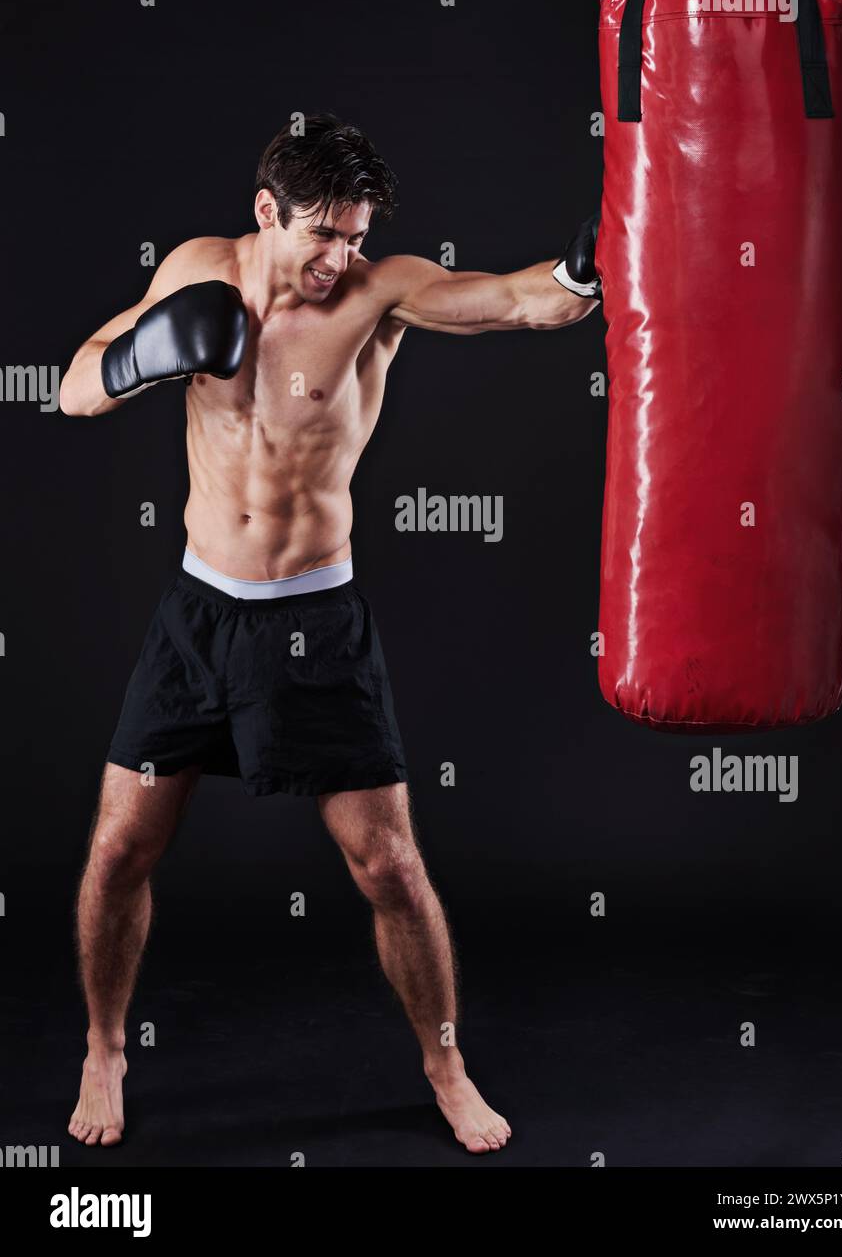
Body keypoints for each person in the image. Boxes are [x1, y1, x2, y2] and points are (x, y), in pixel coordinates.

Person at [60, 113, 601, 1154]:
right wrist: (139, 357)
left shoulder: (377, 292)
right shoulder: (195, 271)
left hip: (316, 618)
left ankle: (444, 1063)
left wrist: (581, 269)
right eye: (321, 235)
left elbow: (515, 306)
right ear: (266, 213)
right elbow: (78, 386)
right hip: (198, 611)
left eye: (354, 235)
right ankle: (104, 1046)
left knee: (388, 865)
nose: (338, 258)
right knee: (117, 846)